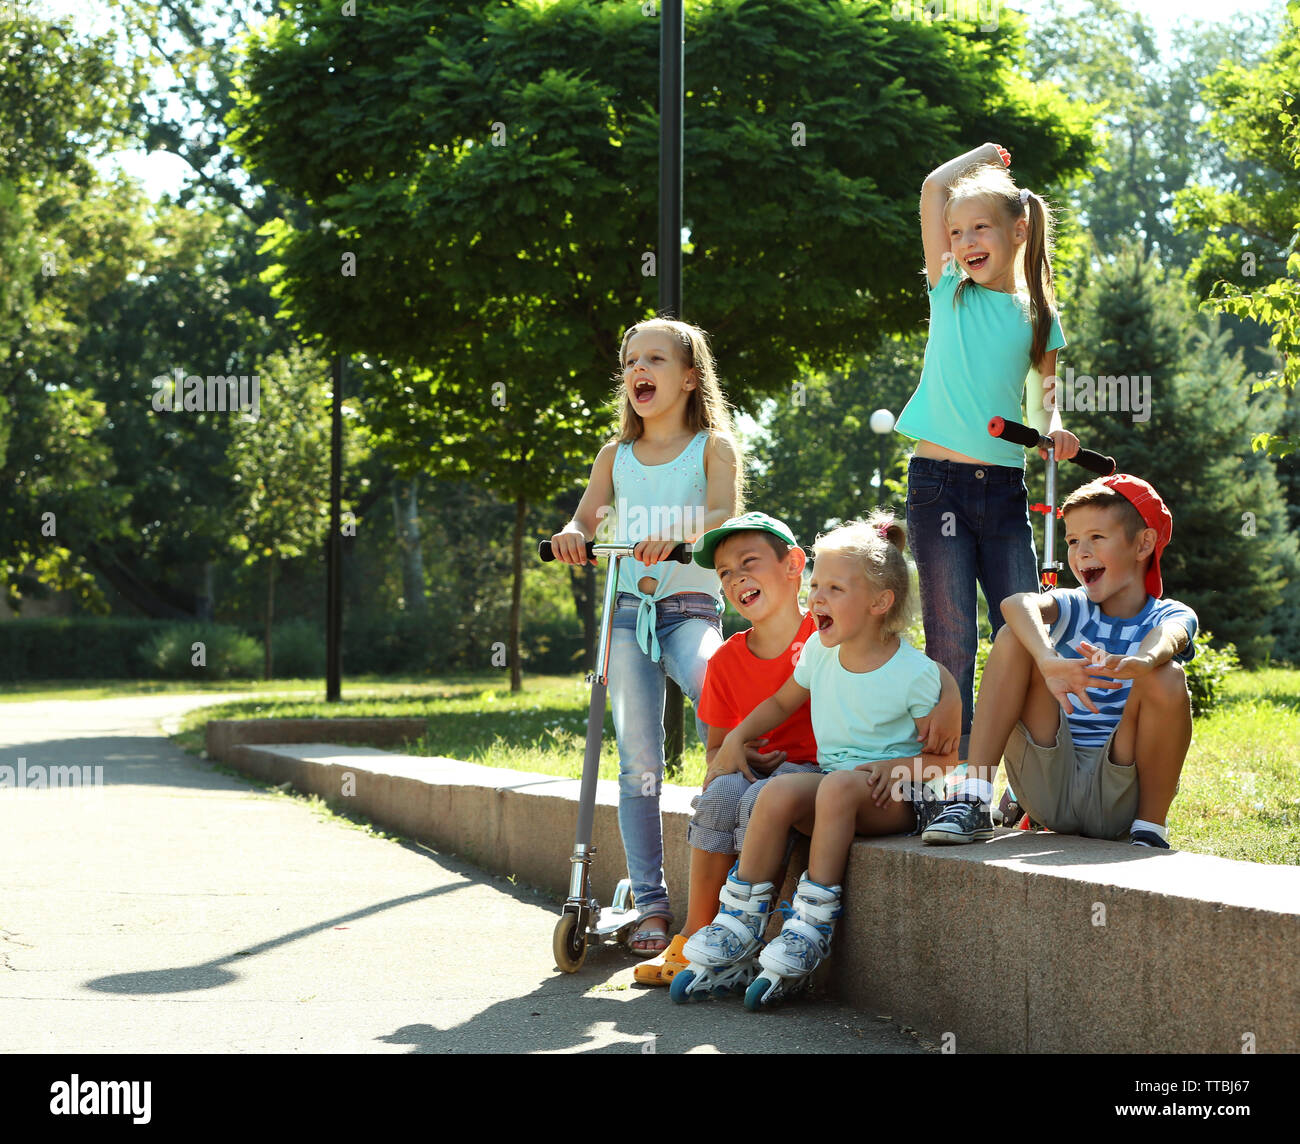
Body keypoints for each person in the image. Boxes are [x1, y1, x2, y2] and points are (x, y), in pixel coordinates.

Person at [637, 511, 962, 986]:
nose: (817, 598)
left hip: (893, 799)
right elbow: (780, 701)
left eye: (834, 590)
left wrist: (896, 765)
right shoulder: (819, 651)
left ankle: (811, 921)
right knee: (776, 793)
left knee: (832, 788)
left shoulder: (911, 672)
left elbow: (944, 763)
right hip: (836, 788)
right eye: (818, 586)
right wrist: (736, 739)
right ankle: (740, 921)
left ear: (880, 601)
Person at [549, 317, 742, 956]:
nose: (639, 370)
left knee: (718, 689)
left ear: (689, 377)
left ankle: (734, 833)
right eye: (631, 360)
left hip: (689, 605)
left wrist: (684, 532)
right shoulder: (615, 455)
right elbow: (584, 519)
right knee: (637, 761)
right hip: (628, 607)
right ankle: (653, 905)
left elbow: (723, 515)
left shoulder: (712, 447)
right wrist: (573, 535)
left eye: (655, 359)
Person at [895, 140, 1080, 792]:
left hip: (1003, 491)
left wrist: (1055, 431)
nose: (966, 241)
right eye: (956, 232)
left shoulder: (1039, 316)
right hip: (937, 488)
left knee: (1020, 635)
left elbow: (1047, 402)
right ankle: (950, 792)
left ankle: (1024, 788)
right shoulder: (948, 292)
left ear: (1017, 231)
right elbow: (930, 189)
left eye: (981, 228)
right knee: (952, 640)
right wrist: (982, 157)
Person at [922, 475, 1197, 848]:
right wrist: (1048, 660)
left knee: (1167, 675)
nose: (1081, 552)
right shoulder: (1073, 604)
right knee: (1013, 636)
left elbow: (1171, 636)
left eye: (1097, 538)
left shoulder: (1166, 614)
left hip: (1119, 791)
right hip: (1049, 783)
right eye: (1072, 541)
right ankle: (972, 798)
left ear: (1144, 543)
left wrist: (1142, 661)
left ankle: (1150, 829)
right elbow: (1016, 604)